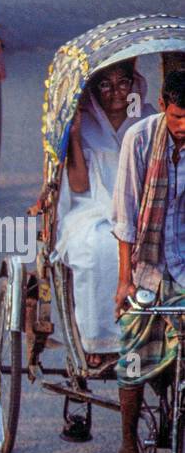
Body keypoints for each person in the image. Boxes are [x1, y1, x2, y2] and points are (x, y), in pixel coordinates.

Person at [110, 70, 185, 453]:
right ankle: (126, 450)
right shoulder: (139, 140)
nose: (182, 127)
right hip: (150, 267)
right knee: (133, 353)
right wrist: (125, 282)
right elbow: (124, 219)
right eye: (176, 117)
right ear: (162, 103)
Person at [57, 61, 154, 388]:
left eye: (123, 83)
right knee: (98, 248)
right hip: (93, 209)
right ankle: (100, 341)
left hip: (140, 208)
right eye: (106, 85)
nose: (116, 93)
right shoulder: (83, 124)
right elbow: (80, 186)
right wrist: (72, 137)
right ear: (93, 90)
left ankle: (155, 337)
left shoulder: (148, 117)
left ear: (133, 83)